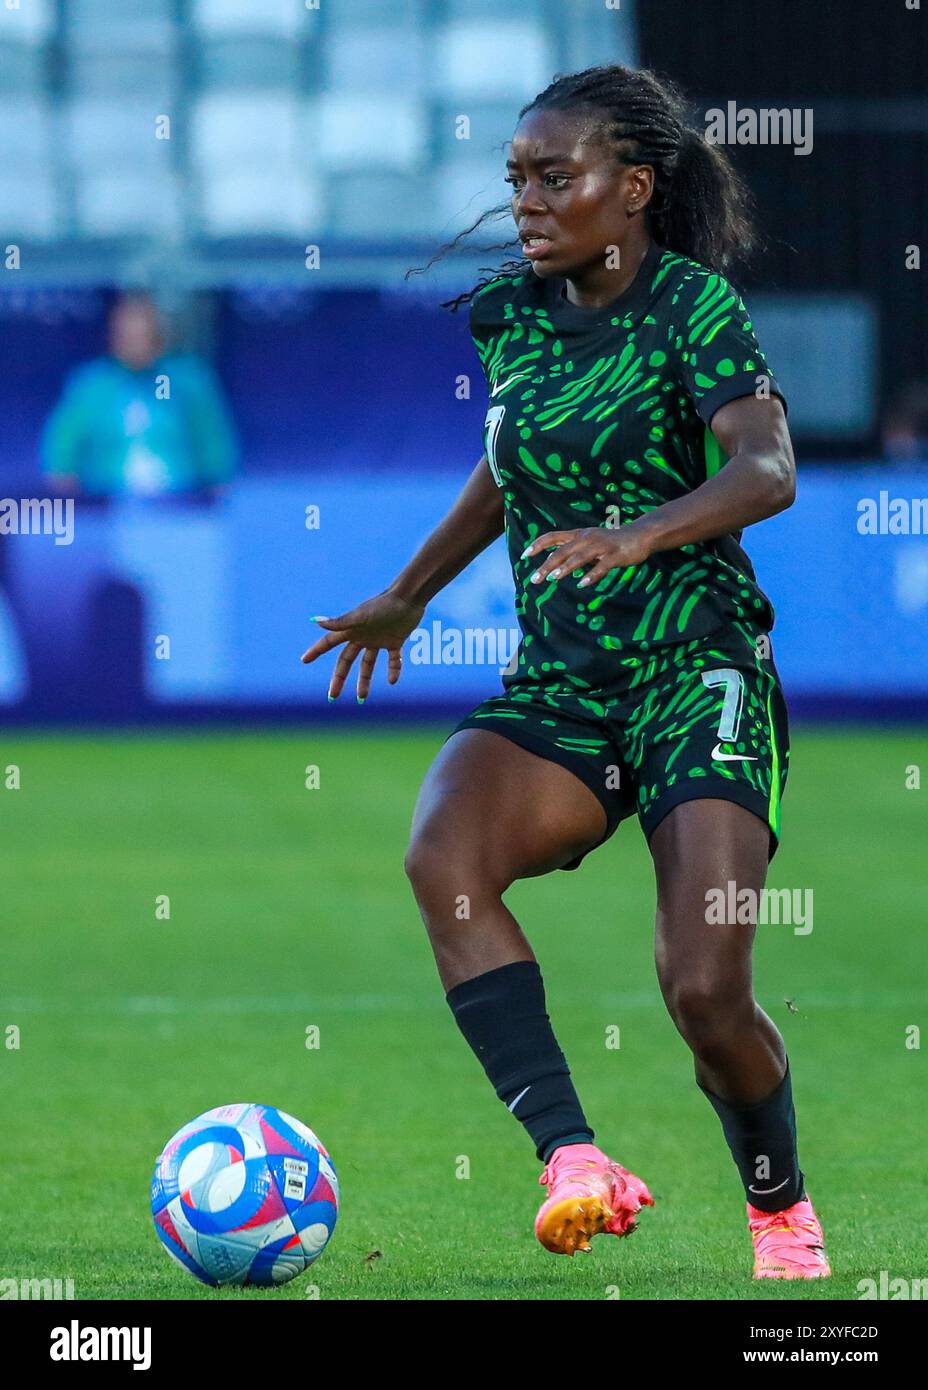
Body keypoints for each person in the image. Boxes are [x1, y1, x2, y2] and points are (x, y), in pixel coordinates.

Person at [302, 65, 829, 1280]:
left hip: (697, 664)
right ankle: (574, 1158)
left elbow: (767, 470)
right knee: (445, 855)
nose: (528, 202)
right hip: (565, 677)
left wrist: (638, 531)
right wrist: (409, 592)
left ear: (632, 189)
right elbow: (507, 462)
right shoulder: (511, 314)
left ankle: (778, 1204)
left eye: (556, 178)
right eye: (517, 181)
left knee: (703, 991)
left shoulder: (692, 308)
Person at [42, 293, 238, 498]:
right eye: (126, 338)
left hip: (179, 500)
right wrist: (63, 474)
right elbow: (63, 439)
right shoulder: (91, 383)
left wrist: (218, 481)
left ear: (159, 339)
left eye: (142, 337)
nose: (134, 345)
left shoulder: (187, 380)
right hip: (106, 500)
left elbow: (213, 438)